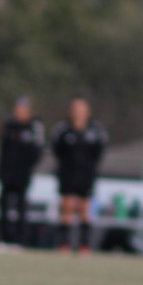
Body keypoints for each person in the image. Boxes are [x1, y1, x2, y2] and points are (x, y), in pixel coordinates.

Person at [49, 97, 105, 254]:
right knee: (66, 207)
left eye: (81, 109)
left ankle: (84, 245)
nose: (78, 112)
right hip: (67, 173)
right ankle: (64, 244)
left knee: (84, 209)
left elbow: (99, 152)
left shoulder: (95, 130)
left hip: (86, 174)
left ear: (88, 112)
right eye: (75, 108)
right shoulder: (62, 129)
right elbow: (56, 150)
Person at [0, 96, 45, 250]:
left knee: (21, 207)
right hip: (7, 173)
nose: (18, 112)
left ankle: (19, 240)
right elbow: (2, 150)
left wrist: (27, 167)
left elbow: (38, 151)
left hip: (23, 173)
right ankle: (3, 238)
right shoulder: (9, 125)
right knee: (3, 206)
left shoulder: (34, 127)